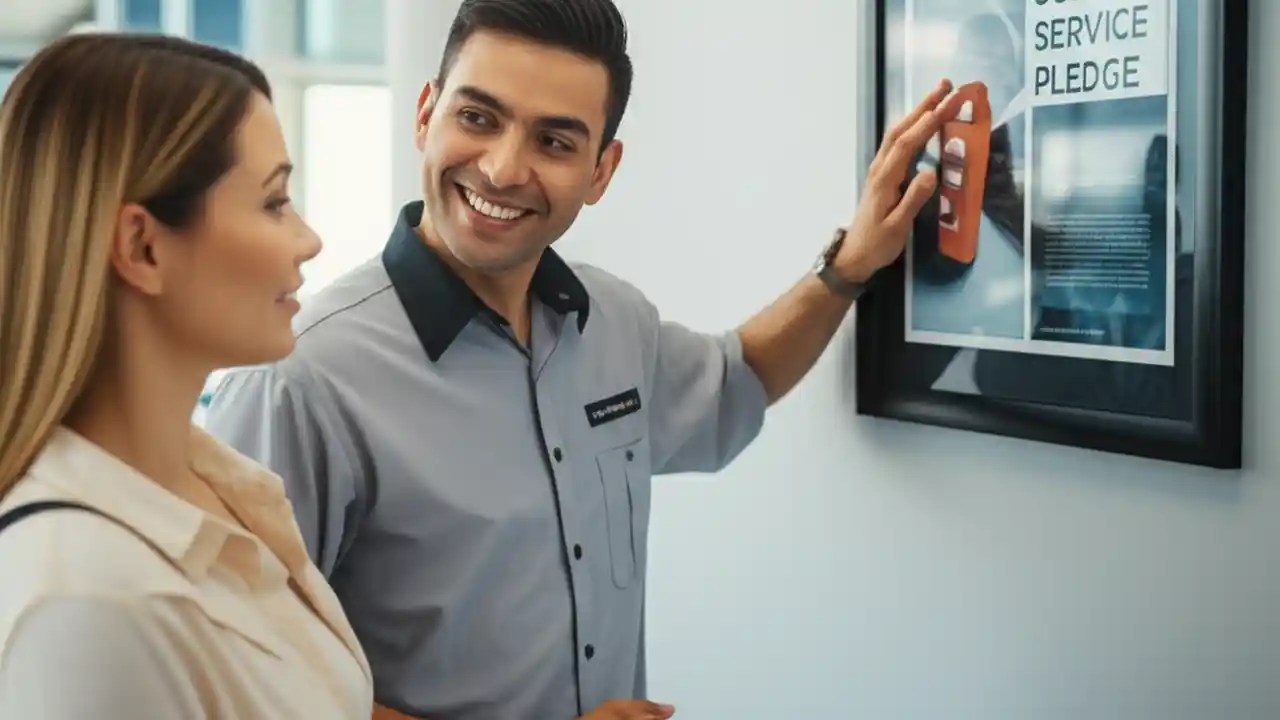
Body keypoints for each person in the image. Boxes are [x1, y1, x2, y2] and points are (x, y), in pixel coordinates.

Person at [204, 0, 960, 717]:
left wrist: (848, 266)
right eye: (478, 117)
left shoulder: (614, 323)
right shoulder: (297, 378)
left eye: (555, 141)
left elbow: (738, 379)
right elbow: (233, 680)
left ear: (601, 170)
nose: (502, 169)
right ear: (426, 115)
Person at [0, 33, 373, 718]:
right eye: (273, 201)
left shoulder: (225, 488)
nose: (308, 239)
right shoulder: (84, 605)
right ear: (142, 247)